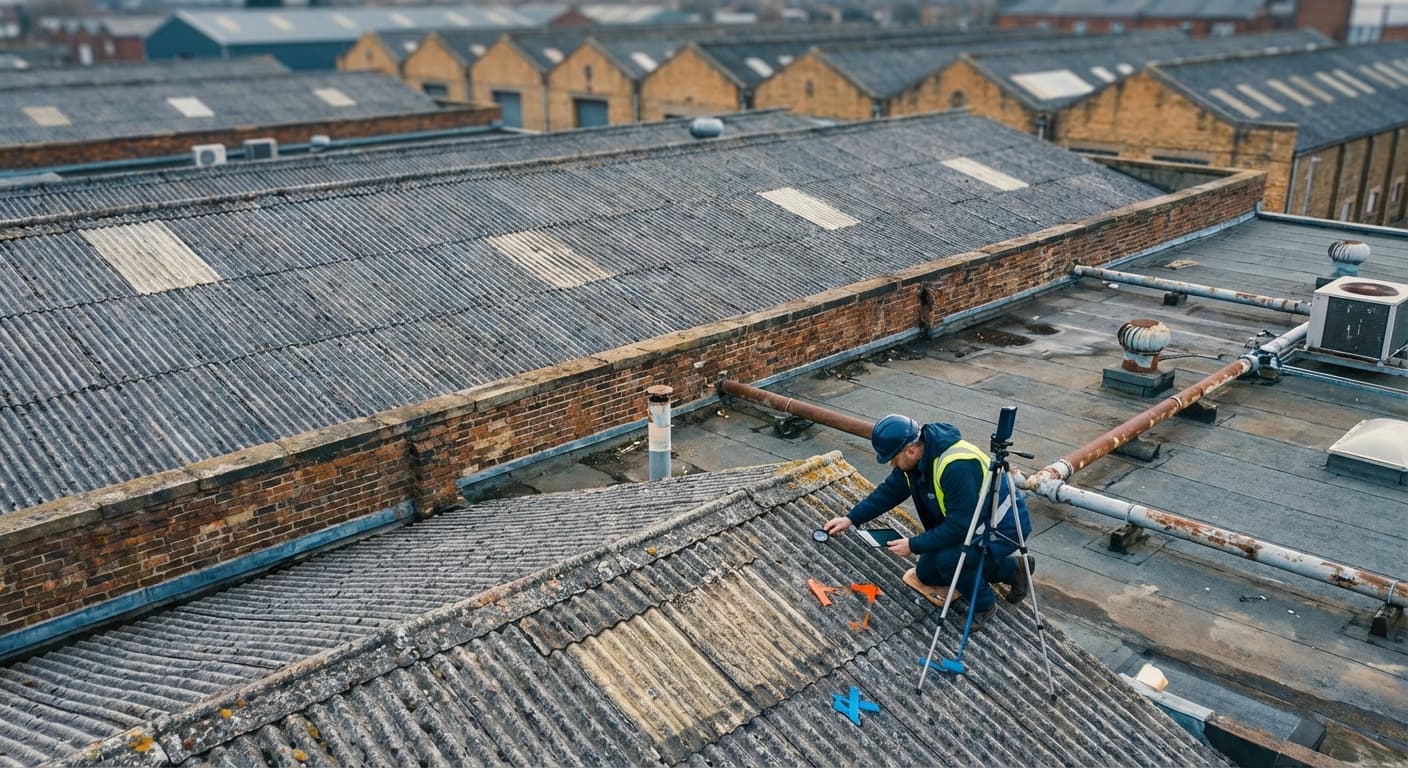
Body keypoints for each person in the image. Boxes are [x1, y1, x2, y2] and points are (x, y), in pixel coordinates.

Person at [822, 414, 1034, 626]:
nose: (891, 465)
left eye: (892, 459)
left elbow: (960, 527)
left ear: (911, 450)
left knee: (949, 560)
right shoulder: (915, 460)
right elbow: (889, 492)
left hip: (1000, 526)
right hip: (972, 522)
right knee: (927, 572)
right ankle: (1014, 569)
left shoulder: (957, 466)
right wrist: (851, 518)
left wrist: (913, 545)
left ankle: (984, 606)